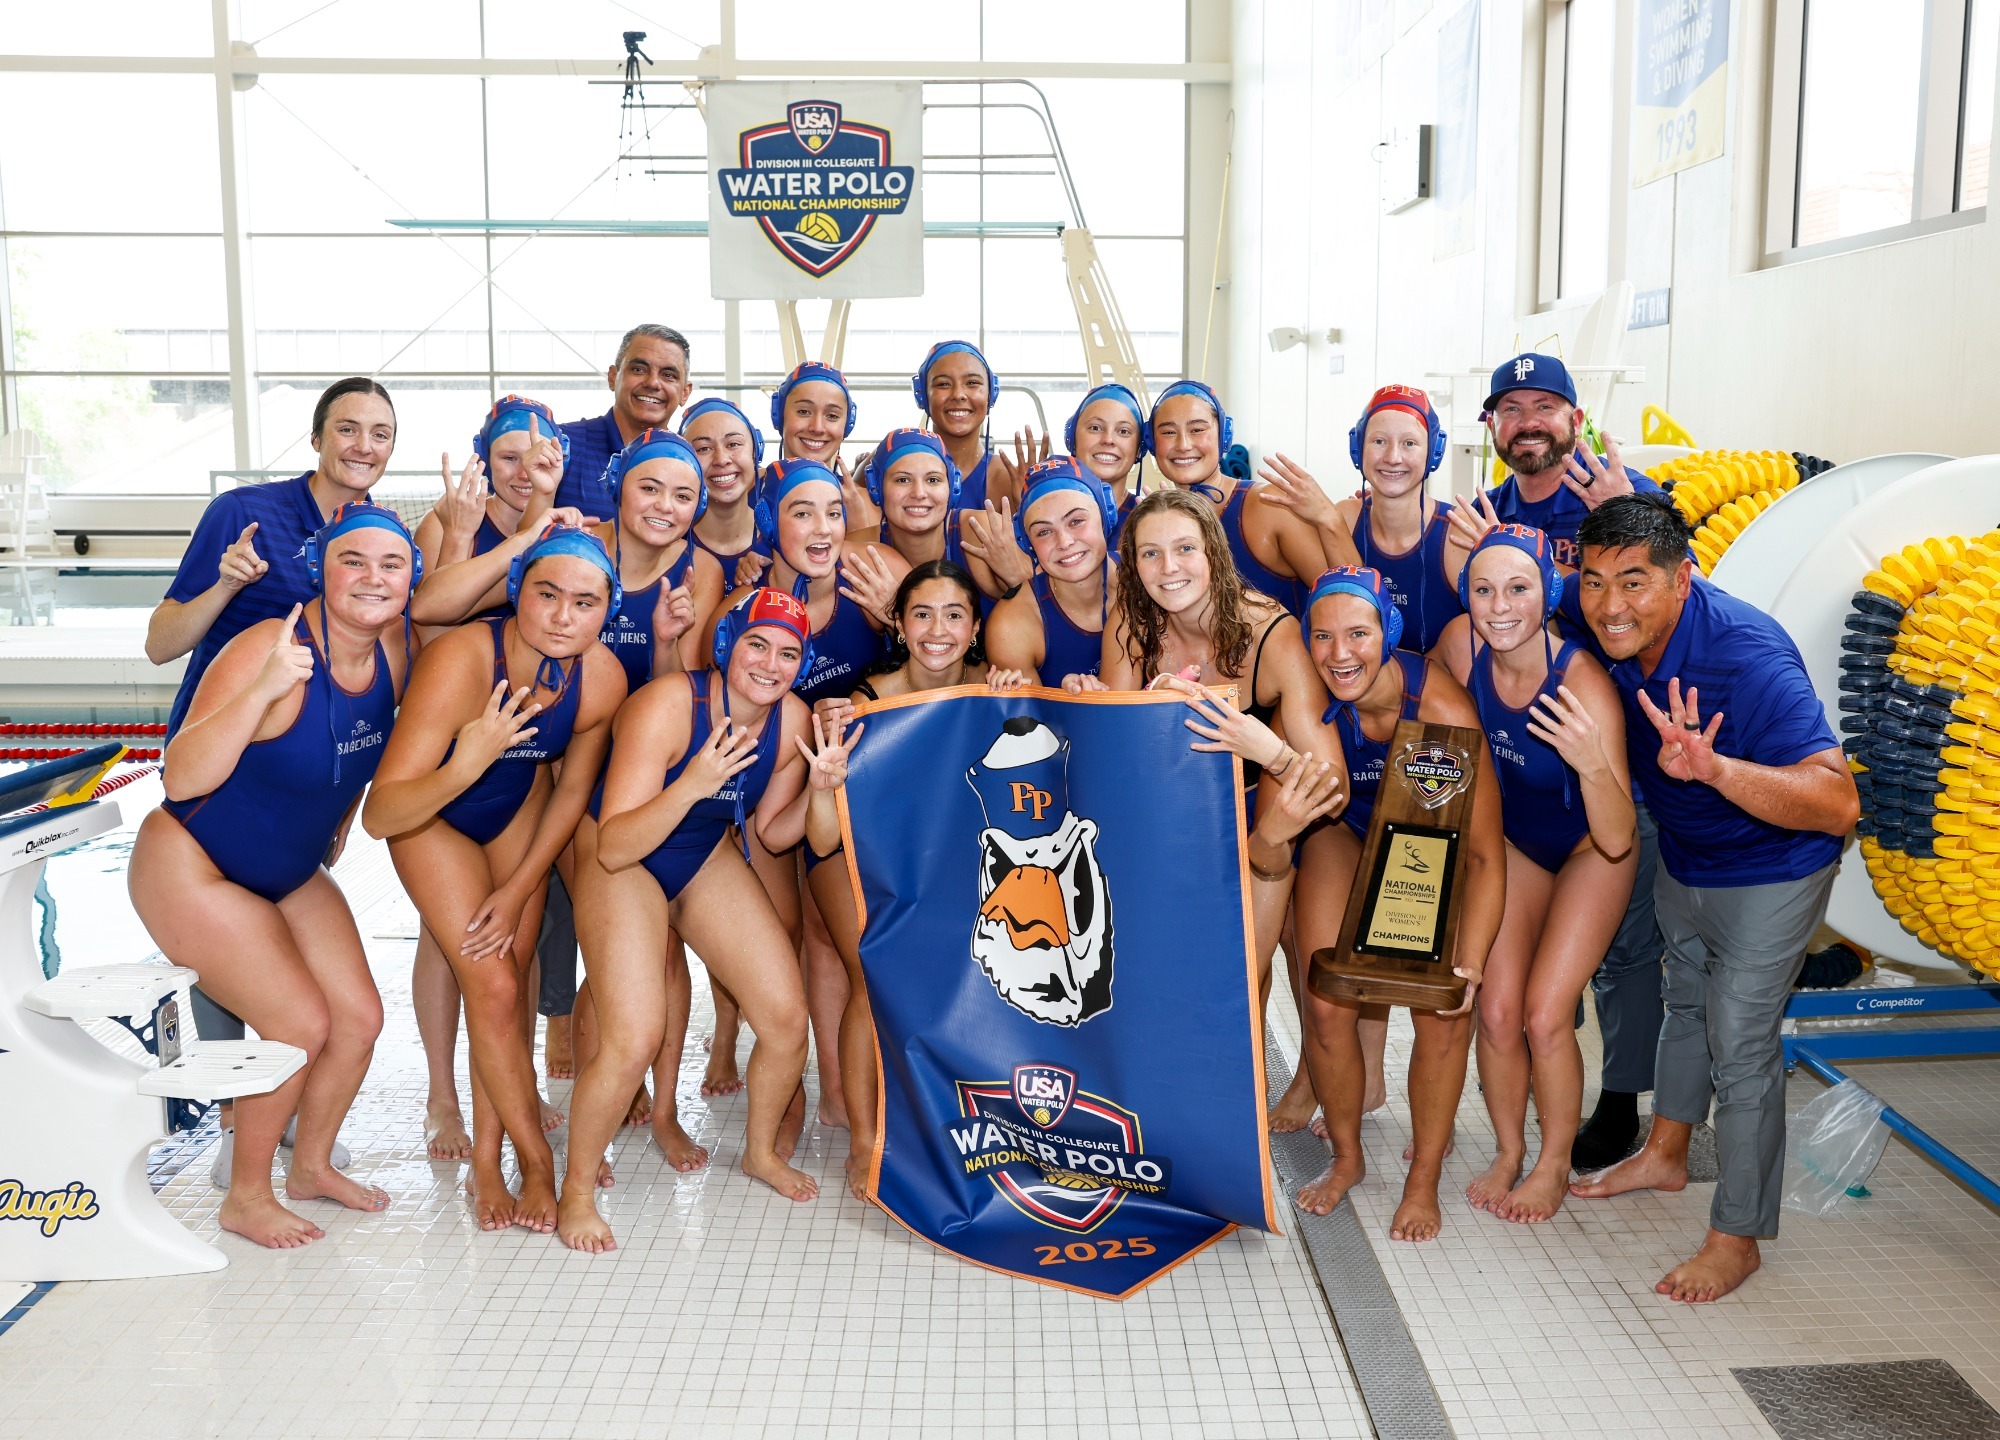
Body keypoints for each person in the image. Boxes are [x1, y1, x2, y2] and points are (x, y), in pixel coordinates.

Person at [1568, 495, 1858, 1303]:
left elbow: (1838, 803)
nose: (1610, 604)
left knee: (1740, 1040)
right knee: (1684, 1004)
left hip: (1774, 867)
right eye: (1593, 582)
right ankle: (1664, 1155)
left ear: (1682, 580)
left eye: (1633, 582)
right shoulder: (1606, 623)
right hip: (1688, 859)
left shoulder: (1746, 656)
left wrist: (1719, 769)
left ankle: (1738, 1237)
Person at [128, 502, 419, 1247]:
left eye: (392, 564)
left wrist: (339, 818)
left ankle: (310, 1165)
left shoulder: (395, 650)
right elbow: (182, 775)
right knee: (298, 1024)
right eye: (354, 560)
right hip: (193, 863)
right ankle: (245, 1195)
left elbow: (360, 746)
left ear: (410, 578)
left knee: (358, 1022)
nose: (373, 578)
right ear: (322, 566)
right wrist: (262, 690)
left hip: (287, 870)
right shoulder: (272, 643)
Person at [145, 376, 398, 1145]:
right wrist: (225, 585)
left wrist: (339, 806)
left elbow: (374, 695)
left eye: (380, 433)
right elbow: (161, 643)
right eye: (347, 428)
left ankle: (279, 1122)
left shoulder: (377, 539)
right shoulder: (245, 513)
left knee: (303, 995)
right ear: (316, 436)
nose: (362, 446)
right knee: (237, 979)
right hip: (227, 747)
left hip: (298, 774)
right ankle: (233, 1128)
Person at [362, 525, 626, 1233]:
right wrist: (464, 762)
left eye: (585, 602)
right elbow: (381, 813)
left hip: (518, 813)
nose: (564, 616)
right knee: (494, 982)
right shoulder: (461, 661)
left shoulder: (600, 676)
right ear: (518, 594)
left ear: (608, 610)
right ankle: (526, 1162)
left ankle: (491, 1149)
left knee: (507, 984)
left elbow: (569, 795)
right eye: (547, 595)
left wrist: (517, 889)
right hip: (433, 817)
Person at [1451, 352, 1674, 1168]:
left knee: (1624, 953)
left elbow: (1687, 593)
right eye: (1513, 409)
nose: (1530, 421)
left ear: (1576, 419)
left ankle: (1618, 1101)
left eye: (1547, 405)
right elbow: (1448, 646)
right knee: (1514, 1002)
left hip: (1629, 757)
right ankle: (1529, 1131)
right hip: (1525, 784)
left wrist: (1636, 512)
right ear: (1494, 429)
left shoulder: (1618, 493)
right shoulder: (1486, 516)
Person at [560, 588, 828, 1251]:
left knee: (786, 1018)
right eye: (757, 645)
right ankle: (574, 1191)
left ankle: (759, 1152)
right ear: (728, 645)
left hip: (698, 854)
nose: (770, 664)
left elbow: (771, 832)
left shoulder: (792, 721)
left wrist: (826, 786)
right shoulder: (668, 707)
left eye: (788, 653)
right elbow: (616, 844)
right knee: (634, 1036)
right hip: (621, 859)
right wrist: (694, 782)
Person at [1284, 567, 1506, 1239]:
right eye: (1322, 636)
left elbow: (1485, 856)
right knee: (1325, 999)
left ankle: (1423, 1178)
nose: (1340, 654)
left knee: (1442, 1009)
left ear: (1389, 632)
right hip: (1343, 834)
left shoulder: (1441, 710)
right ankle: (1348, 1158)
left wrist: (1469, 963)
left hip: (1433, 844)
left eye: (1358, 633)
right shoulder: (1305, 695)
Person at [807, 560, 1031, 1197]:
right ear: (900, 628)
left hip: (942, 867)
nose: (938, 629)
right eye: (922, 615)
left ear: (976, 626)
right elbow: (824, 837)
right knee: (873, 968)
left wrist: (1027, 694)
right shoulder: (864, 704)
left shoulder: (997, 687)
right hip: (852, 858)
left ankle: (976, 1116)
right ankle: (863, 1139)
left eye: (954, 614)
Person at [1433, 525, 1637, 1222]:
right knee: (1495, 1009)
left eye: (1518, 588)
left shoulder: (1582, 685)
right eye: (1483, 589)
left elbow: (1617, 837)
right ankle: (1509, 1148)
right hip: (1516, 844)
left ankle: (1554, 1163)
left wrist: (1591, 762)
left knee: (1547, 1015)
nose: (1499, 607)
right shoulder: (1462, 647)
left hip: (1590, 847)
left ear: (1547, 592)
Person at [410, 398, 591, 1154]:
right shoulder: (446, 519)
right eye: (508, 457)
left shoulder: (568, 524)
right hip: (446, 748)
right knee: (445, 936)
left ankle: (506, 1071)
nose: (526, 471)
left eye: (541, 455)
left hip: (522, 753)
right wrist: (525, 533)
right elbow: (432, 613)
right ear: (483, 460)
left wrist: (547, 519)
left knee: (506, 938)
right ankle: (442, 1094)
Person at [1081, 488, 1344, 997]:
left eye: (1184, 549)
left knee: (1242, 982)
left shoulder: (1273, 633)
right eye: (1150, 553)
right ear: (1133, 565)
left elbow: (1331, 787)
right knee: (1165, 978)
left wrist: (1258, 744)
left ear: (1213, 554)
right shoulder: (1133, 623)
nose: (1167, 567)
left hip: (1262, 826)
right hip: (1173, 822)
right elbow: (1112, 763)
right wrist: (1131, 713)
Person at [1258, 385, 1469, 653]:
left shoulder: (1458, 533)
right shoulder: (1341, 518)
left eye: (1410, 443)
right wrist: (1328, 519)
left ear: (1433, 452)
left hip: (1437, 691)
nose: (1393, 457)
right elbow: (1346, 613)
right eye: (1379, 441)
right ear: (1357, 448)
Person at [1144, 379, 1359, 615]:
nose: (1183, 444)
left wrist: (1330, 518)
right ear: (1152, 443)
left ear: (1222, 436)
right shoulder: (1157, 523)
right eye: (1168, 432)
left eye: (1197, 430)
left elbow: (1355, 607)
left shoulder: (1269, 506)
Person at [984, 457, 1118, 687]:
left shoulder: (1147, 582)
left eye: (1076, 521)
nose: (1064, 542)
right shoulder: (1013, 626)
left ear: (1106, 517)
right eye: (1044, 532)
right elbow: (1034, 723)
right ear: (1028, 544)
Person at [555, 324, 692, 516]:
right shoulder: (561, 446)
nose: (653, 383)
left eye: (668, 375)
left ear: (685, 392)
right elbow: (520, 535)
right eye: (638, 369)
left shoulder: (690, 463)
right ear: (613, 377)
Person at [909, 340, 1021, 512]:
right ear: (922, 396)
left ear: (991, 394)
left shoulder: (1007, 479)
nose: (958, 395)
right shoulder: (893, 465)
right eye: (943, 384)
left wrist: (1028, 501)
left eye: (972, 383)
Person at [682, 396, 770, 599]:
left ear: (755, 453)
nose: (721, 460)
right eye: (703, 448)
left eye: (733, 444)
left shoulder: (783, 540)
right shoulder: (667, 542)